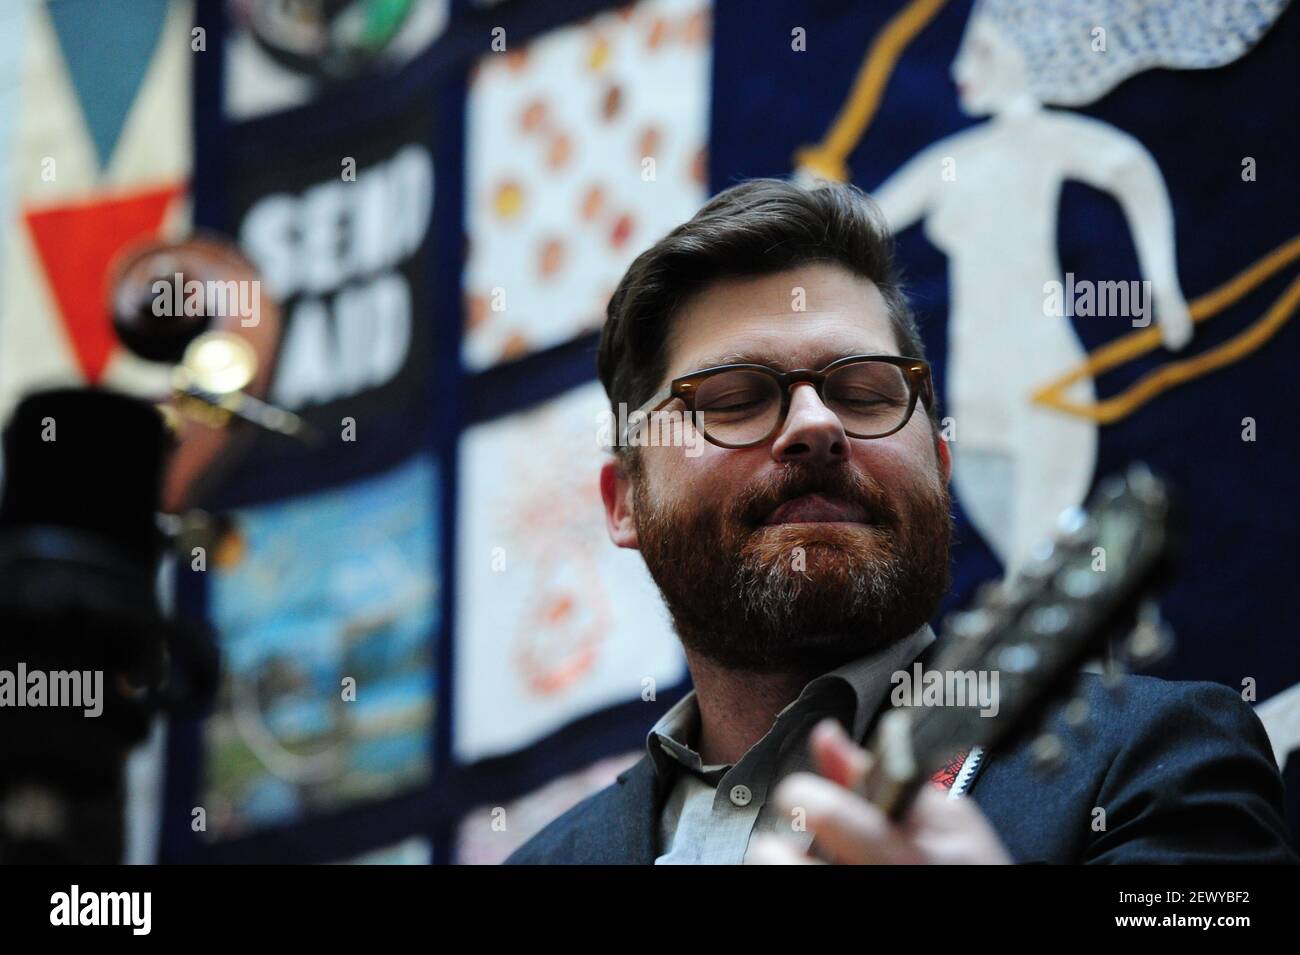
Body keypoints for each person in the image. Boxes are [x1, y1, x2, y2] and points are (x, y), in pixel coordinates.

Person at [504, 178, 1296, 865]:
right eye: (735, 398)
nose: (817, 425)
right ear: (624, 500)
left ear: (941, 466)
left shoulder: (1161, 760)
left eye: (867, 392)